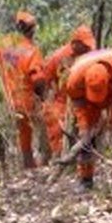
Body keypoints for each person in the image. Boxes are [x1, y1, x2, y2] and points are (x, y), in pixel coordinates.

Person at [0, 11, 47, 169]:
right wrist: (44, 96)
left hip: (11, 101)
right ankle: (46, 162)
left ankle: (28, 165)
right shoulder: (32, 51)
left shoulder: (5, 44)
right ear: (31, 29)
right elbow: (37, 79)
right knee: (46, 127)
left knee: (23, 133)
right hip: (29, 99)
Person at [63, 49, 112, 191]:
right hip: (87, 104)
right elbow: (79, 106)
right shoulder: (74, 81)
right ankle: (85, 180)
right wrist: (87, 129)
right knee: (86, 137)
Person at [42, 25, 97, 157]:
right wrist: (47, 104)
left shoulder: (90, 55)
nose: (87, 48)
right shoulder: (58, 57)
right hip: (61, 102)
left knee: (85, 136)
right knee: (58, 134)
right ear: (75, 43)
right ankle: (58, 163)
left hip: (83, 101)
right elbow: (45, 80)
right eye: (84, 45)